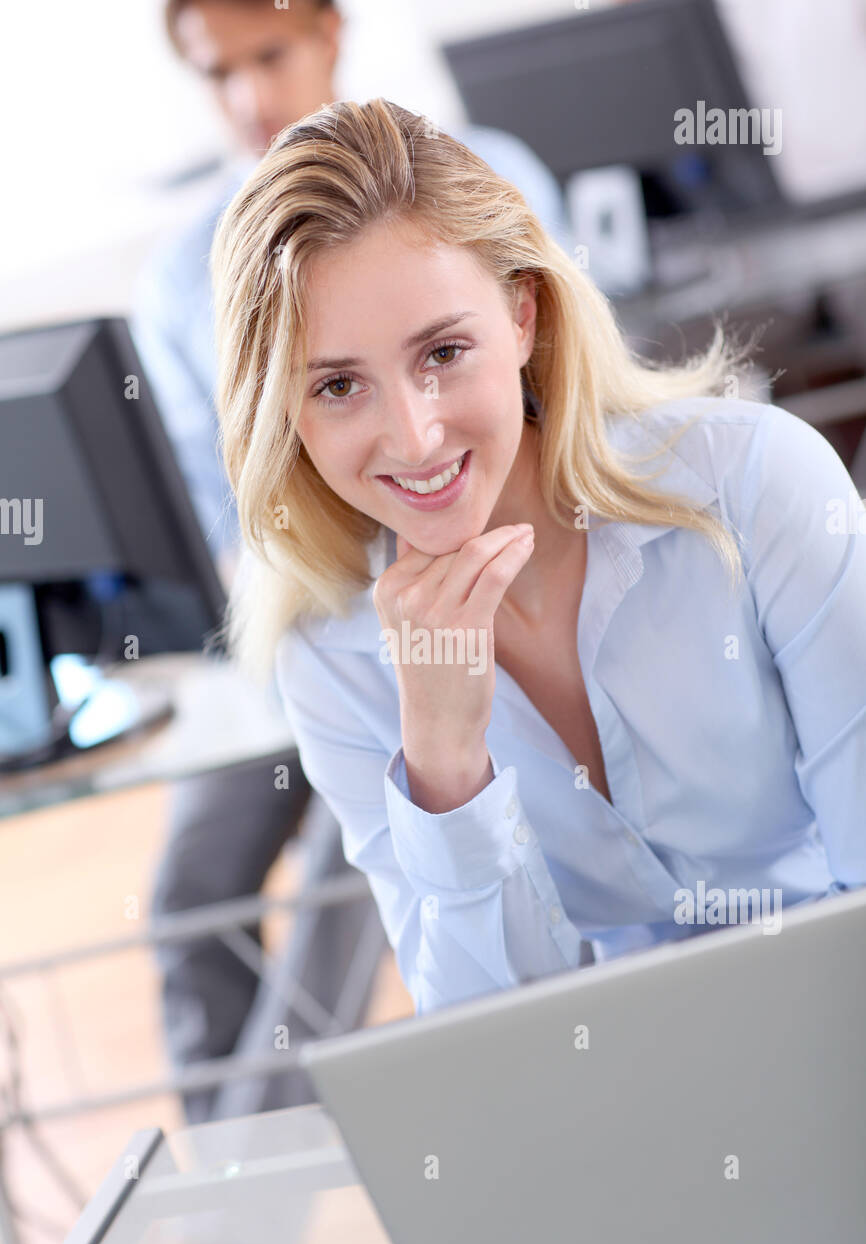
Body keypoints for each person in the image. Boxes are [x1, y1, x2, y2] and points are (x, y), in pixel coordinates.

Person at [209, 97, 866, 1015]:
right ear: (283, 410)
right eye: (339, 385)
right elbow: (492, 1033)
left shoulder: (756, 487)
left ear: (521, 315)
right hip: (602, 1100)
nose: (414, 433)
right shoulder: (330, 656)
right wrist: (444, 762)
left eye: (442, 350)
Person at [130, 0, 573, 1121]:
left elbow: (553, 395)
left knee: (348, 873)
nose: (246, 99)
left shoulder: (485, 177)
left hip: (453, 602)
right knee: (185, 889)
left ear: (329, 32)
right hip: (294, 616)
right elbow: (198, 489)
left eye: (267, 56)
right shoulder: (189, 274)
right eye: (215, 74)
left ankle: (243, 1207)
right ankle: (225, 1175)